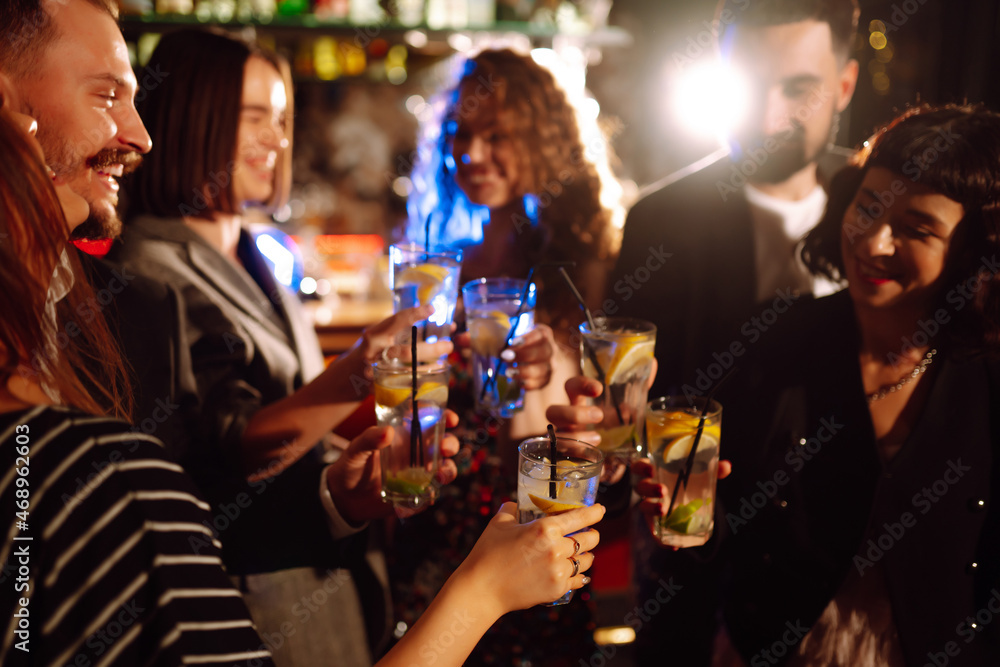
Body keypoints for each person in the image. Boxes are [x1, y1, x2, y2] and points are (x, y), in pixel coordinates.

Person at [0, 101, 606, 667]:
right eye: (254, 115)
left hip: (484, 543)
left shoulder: (251, 259)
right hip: (427, 556)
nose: (472, 152)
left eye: (283, 117)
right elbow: (222, 457)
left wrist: (340, 492)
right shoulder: (140, 305)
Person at [553, 104, 1000, 666]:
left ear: (971, 253)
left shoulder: (985, 371)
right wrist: (628, 467)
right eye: (867, 207)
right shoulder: (782, 338)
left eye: (915, 229)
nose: (873, 242)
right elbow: (713, 532)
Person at [612, 0, 861, 399]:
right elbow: (631, 400)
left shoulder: (881, 204)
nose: (768, 119)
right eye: (748, 86)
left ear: (844, 87)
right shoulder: (659, 222)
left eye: (798, 89)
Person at [410, 47, 620, 437]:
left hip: (529, 484)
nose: (472, 155)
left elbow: (602, 408)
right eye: (462, 133)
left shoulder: (583, 268)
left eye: (497, 136)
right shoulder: (450, 260)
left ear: (542, 141)